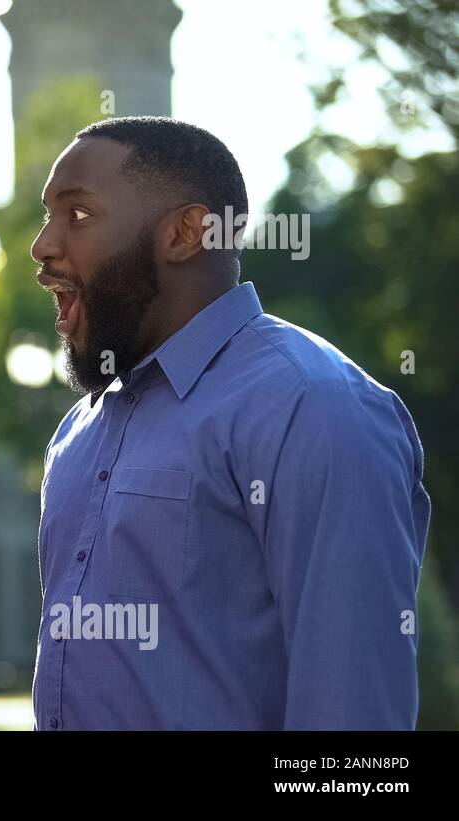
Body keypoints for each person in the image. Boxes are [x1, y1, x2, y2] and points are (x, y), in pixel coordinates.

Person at [30, 116, 429, 730]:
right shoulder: (78, 433)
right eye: (47, 216)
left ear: (187, 233)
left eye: (77, 215)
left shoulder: (313, 407)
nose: (44, 246)